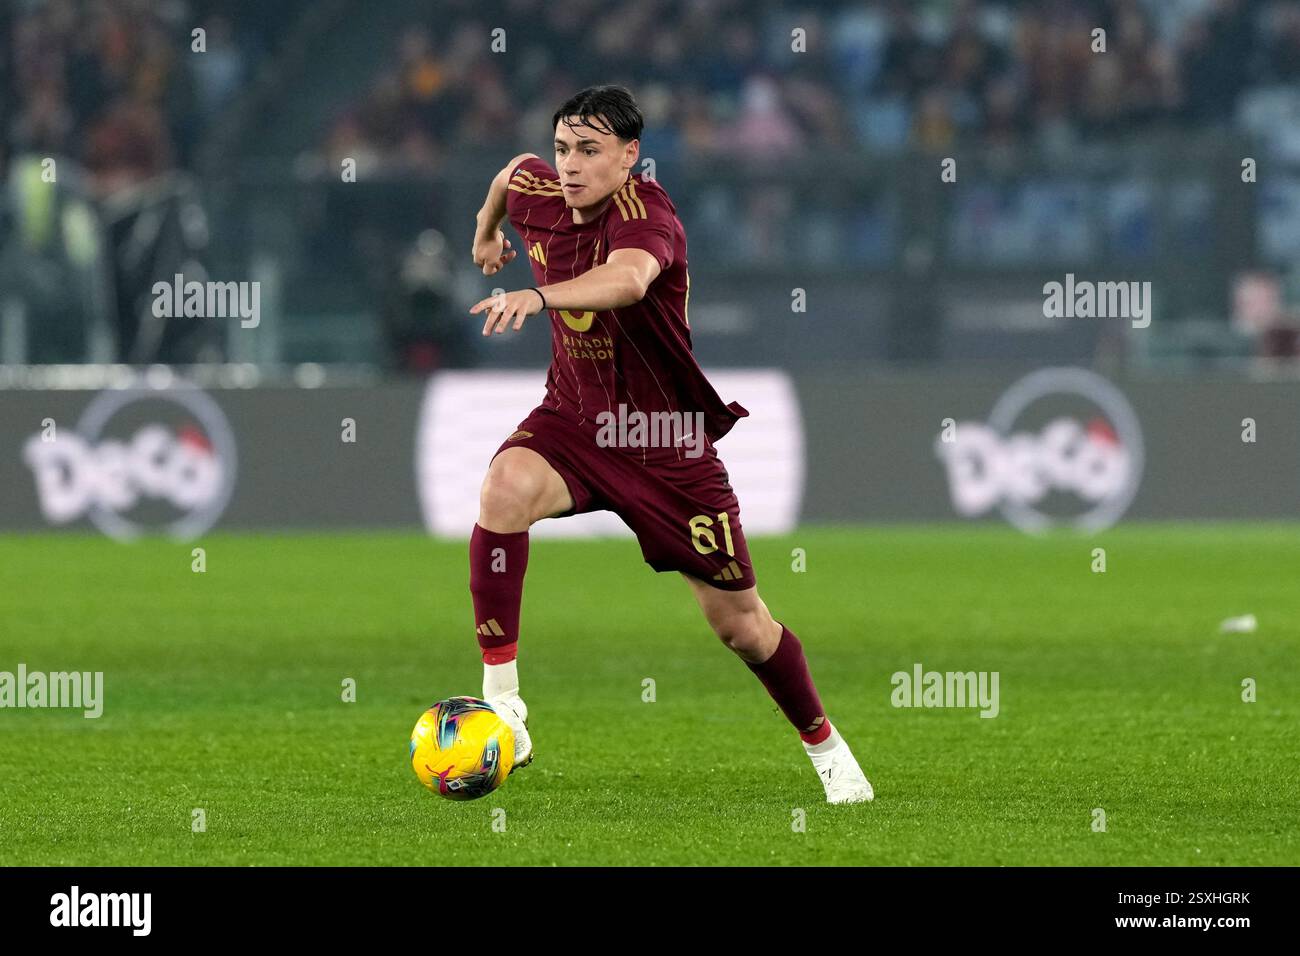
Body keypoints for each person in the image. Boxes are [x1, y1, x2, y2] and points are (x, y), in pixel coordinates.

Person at [466, 85, 873, 803]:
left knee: (742, 628)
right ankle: (504, 706)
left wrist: (538, 296)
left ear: (630, 157)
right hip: (574, 420)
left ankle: (827, 748)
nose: (570, 165)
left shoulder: (648, 214)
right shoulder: (538, 187)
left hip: (663, 443)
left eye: (590, 151)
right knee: (502, 491)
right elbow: (509, 175)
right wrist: (485, 231)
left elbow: (626, 282)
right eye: (564, 147)